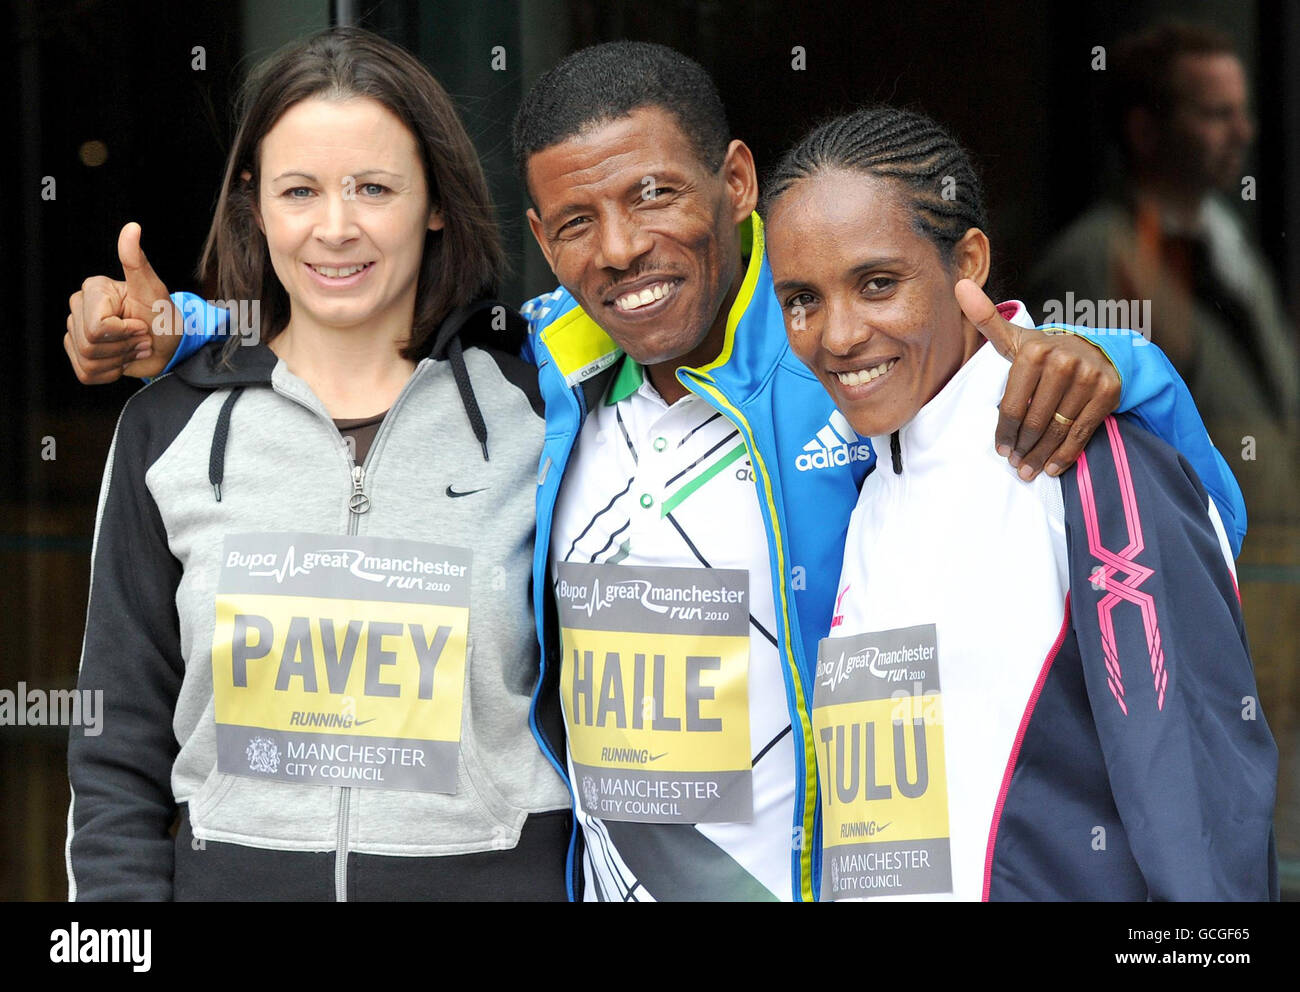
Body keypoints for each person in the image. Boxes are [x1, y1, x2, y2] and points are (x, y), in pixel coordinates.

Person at [65, 41, 1244, 902]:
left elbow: (966, 347)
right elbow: (352, 309)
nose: (620, 248)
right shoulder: (549, 365)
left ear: (735, 184)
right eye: (576, 221)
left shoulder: (822, 360)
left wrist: (1114, 358)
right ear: (539, 240)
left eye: (654, 196)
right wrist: (190, 324)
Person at [66, 27, 571, 901]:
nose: (336, 228)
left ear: (436, 202)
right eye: (299, 191)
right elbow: (117, 753)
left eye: (374, 188)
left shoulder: (541, 414)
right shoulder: (168, 428)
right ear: (256, 207)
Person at [762, 106, 1277, 900]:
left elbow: (1197, 811)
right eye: (801, 298)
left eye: (877, 283)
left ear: (968, 261)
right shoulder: (870, 489)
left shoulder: (1090, 456)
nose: (835, 335)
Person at [1026, 21, 1298, 521]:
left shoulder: (1234, 248)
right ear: (1145, 131)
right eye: (1217, 114)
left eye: (1242, 113)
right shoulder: (1091, 257)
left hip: (1270, 556)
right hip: (1186, 549)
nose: (1243, 132)